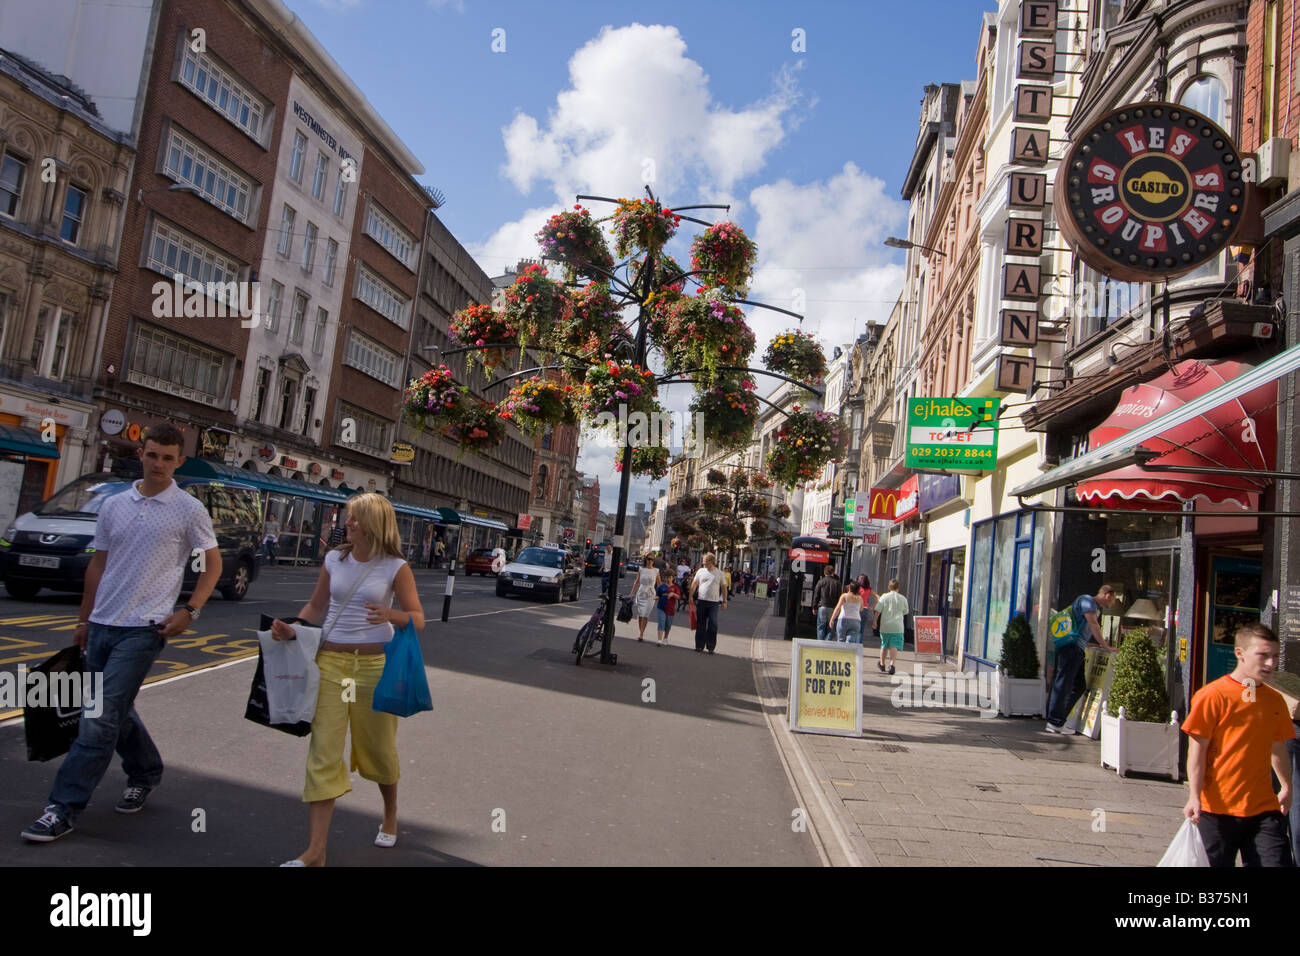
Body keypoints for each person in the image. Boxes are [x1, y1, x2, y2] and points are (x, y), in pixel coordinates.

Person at [22, 424, 222, 843]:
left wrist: (191, 610)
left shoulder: (188, 509)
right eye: (153, 455)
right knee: (114, 709)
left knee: (97, 718)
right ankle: (146, 771)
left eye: (168, 458)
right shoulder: (114, 505)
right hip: (101, 625)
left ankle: (62, 807)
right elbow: (98, 565)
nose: (159, 464)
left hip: (145, 627)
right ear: (141, 453)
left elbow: (213, 564)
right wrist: (83, 620)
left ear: (179, 461)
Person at [271, 493, 426, 867]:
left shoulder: (394, 566)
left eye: (355, 518)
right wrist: (293, 628)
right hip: (330, 664)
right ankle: (315, 852)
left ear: (373, 524)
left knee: (378, 751)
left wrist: (391, 613)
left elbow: (417, 619)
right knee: (323, 752)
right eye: (348, 517)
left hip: (374, 668)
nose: (348, 523)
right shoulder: (334, 560)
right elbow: (315, 606)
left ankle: (390, 813)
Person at [1181, 622, 1295, 867]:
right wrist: (1194, 796)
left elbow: (1277, 748)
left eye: (1275, 656)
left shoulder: (1275, 701)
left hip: (1263, 808)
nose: (1271, 664)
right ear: (1240, 653)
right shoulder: (1213, 696)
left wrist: (1286, 786)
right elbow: (1197, 751)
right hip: (1216, 809)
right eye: (1263, 655)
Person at [1045, 584, 1118, 733]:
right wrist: (1105, 645)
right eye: (1114, 600)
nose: (1113, 603)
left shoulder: (1091, 604)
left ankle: (1058, 721)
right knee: (1064, 683)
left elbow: (1086, 626)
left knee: (1078, 686)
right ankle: (1054, 722)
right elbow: (1093, 624)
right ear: (1108, 595)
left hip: (1075, 647)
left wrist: (1089, 643)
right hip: (1071, 647)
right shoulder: (1088, 601)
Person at [689, 552, 727, 655]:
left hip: (714, 603)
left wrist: (724, 601)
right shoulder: (700, 571)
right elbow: (694, 583)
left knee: (713, 625)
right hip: (701, 601)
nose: (703, 563)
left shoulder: (719, 573)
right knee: (700, 624)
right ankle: (699, 646)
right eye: (703, 561)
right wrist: (690, 596)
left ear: (711, 562)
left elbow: (724, 587)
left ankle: (711, 647)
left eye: (705, 562)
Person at [873, 578, 910, 675]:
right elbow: (906, 611)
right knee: (894, 645)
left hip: (885, 625)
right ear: (898, 587)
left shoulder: (884, 597)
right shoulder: (903, 598)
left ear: (889, 587)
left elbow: (878, 610)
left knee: (884, 644)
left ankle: (882, 664)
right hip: (897, 626)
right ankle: (892, 664)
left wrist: (875, 621)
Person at [629, 553, 658, 641]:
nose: (650, 561)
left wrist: (659, 595)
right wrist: (631, 593)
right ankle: (640, 630)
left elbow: (660, 584)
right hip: (641, 593)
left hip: (650, 594)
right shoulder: (641, 569)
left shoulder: (656, 571)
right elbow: (637, 581)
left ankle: (641, 634)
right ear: (646, 559)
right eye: (649, 559)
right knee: (641, 614)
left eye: (652, 560)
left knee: (645, 614)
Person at [654, 568, 682, 647]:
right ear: (664, 578)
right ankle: (659, 640)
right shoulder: (661, 587)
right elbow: (657, 595)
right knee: (661, 623)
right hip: (661, 608)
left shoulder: (675, 587)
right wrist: (655, 597)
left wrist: (673, 594)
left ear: (673, 578)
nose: (668, 579)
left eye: (670, 577)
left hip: (670, 609)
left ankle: (665, 638)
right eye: (667, 577)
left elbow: (679, 597)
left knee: (668, 625)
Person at [813, 565, 840, 641]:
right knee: (831, 627)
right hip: (833, 608)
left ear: (824, 573)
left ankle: (820, 643)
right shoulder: (837, 583)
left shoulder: (821, 582)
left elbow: (816, 595)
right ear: (833, 573)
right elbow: (839, 597)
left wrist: (814, 607)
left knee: (821, 626)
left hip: (822, 607)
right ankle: (827, 642)